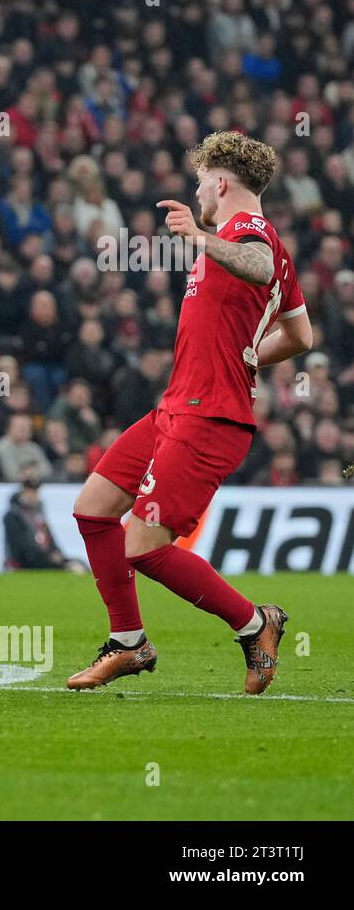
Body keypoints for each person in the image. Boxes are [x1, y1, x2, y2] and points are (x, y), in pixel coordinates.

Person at [69, 131, 311, 695]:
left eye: (201, 182)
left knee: (143, 546)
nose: (197, 191)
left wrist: (201, 237)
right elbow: (301, 333)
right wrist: (253, 355)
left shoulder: (249, 233)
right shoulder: (261, 246)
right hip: (176, 408)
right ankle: (129, 642)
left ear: (221, 182)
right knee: (94, 511)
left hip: (210, 418)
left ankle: (255, 623)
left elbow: (253, 263)